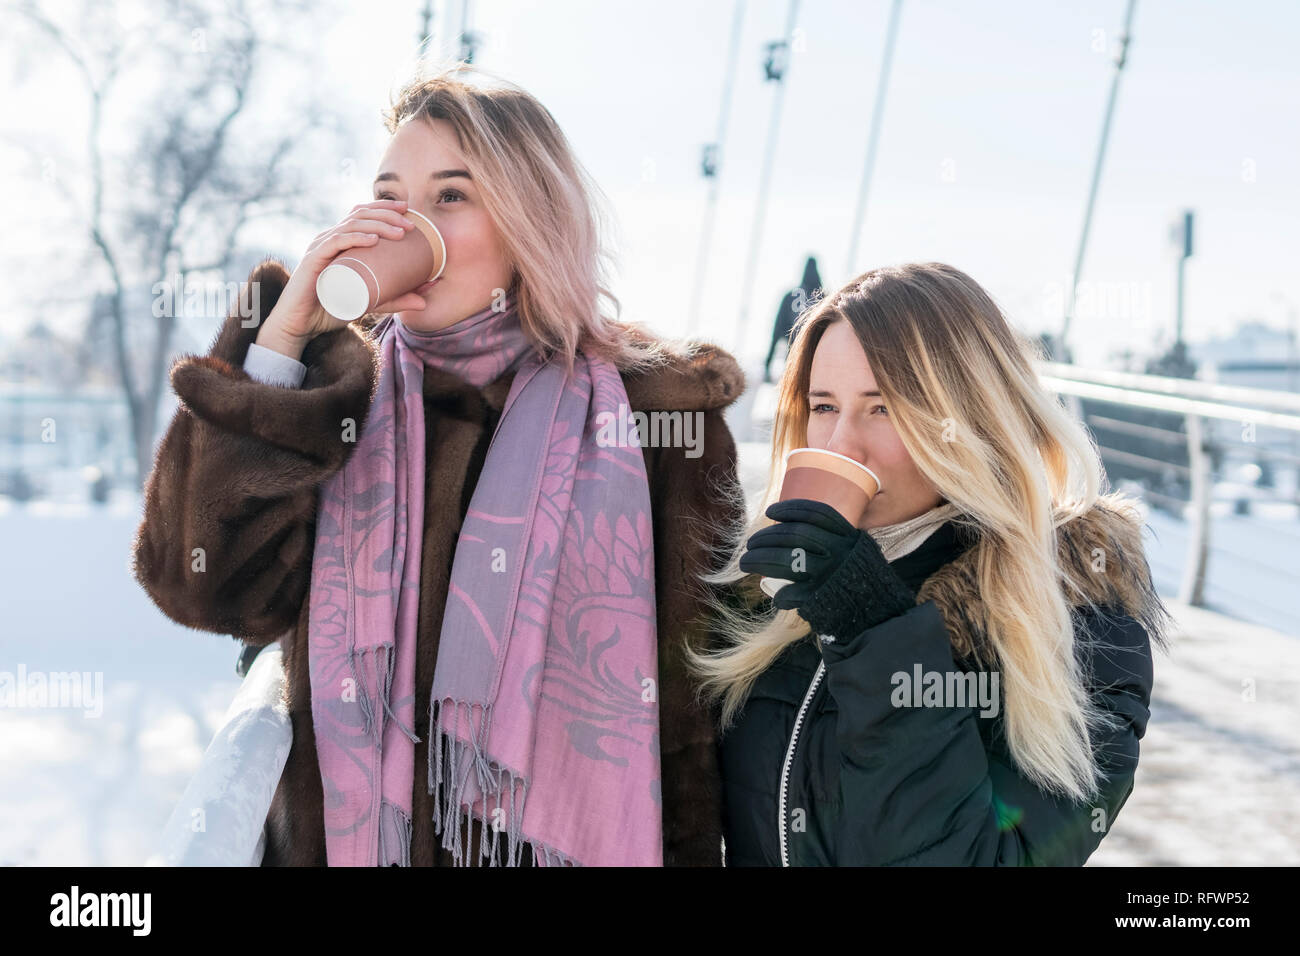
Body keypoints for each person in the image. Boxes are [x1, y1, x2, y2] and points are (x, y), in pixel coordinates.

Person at [132, 66, 746, 867]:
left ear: (531, 221)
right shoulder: (335, 404)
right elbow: (199, 585)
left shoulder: (655, 421)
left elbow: (696, 725)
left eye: (450, 196)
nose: (407, 224)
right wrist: (280, 344)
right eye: (390, 198)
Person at [685, 261, 1173, 866]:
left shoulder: (1078, 622)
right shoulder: (767, 591)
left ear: (968, 418)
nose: (840, 444)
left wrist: (871, 627)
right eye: (824, 406)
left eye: (883, 407)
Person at [765, 255, 822, 383]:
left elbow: (777, 330)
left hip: (793, 353)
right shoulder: (824, 298)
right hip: (814, 358)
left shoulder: (790, 296)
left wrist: (768, 364)